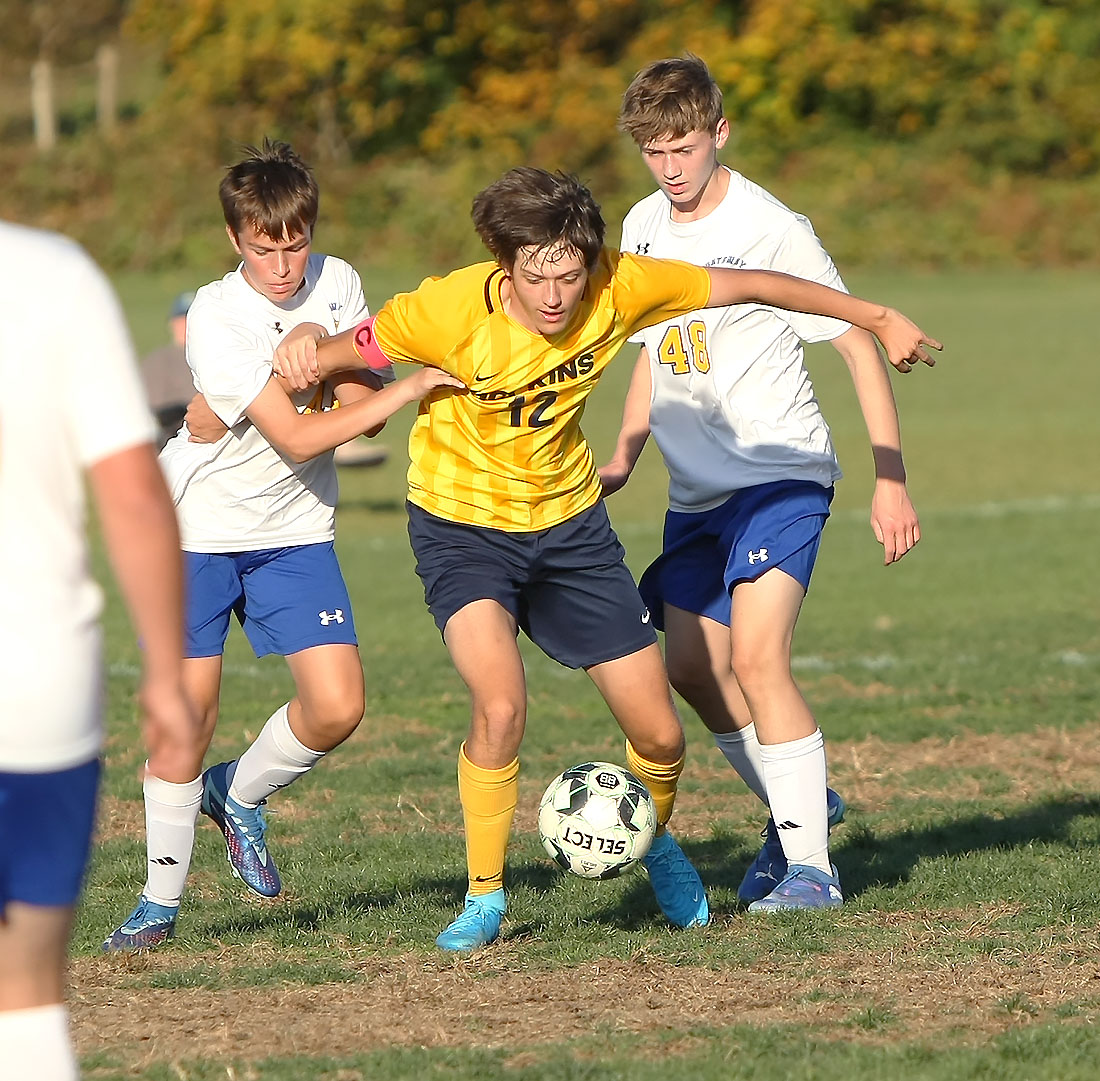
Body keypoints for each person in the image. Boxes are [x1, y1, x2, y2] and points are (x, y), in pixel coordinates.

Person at [271, 165, 939, 950]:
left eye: (568, 273)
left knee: (660, 738)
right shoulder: (443, 309)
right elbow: (332, 355)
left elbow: (759, 282)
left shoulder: (621, 286)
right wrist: (303, 345)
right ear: (504, 265)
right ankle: (485, 897)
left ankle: (651, 843)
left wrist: (879, 314)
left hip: (571, 529)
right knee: (501, 705)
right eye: (534, 275)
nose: (555, 295)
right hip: (462, 527)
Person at [103, 140, 460, 951]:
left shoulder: (338, 284)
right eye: (264, 248)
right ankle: (159, 903)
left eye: (295, 241)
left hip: (293, 528)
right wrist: (388, 379)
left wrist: (325, 348)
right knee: (184, 723)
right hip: (194, 532)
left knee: (338, 704)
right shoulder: (215, 315)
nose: (283, 262)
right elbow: (301, 438)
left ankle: (238, 793)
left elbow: (361, 390)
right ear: (237, 241)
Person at [601, 55, 937, 911]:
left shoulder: (771, 226)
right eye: (652, 151)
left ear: (719, 133)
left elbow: (856, 339)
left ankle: (813, 871)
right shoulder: (640, 224)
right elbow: (653, 357)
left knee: (756, 657)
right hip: (695, 497)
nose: (670, 167)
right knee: (689, 666)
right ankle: (802, 811)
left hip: (781, 473)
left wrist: (889, 478)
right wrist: (625, 453)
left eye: (683, 146)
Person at [0, 221, 199, 1079]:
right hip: (33, 677)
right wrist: (164, 668)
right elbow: (132, 491)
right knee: (28, 992)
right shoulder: (52, 275)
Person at [140, 290, 196, 450]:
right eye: (183, 319)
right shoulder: (156, 361)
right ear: (172, 323)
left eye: (192, 318)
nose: (187, 325)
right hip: (170, 438)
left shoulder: (218, 357)